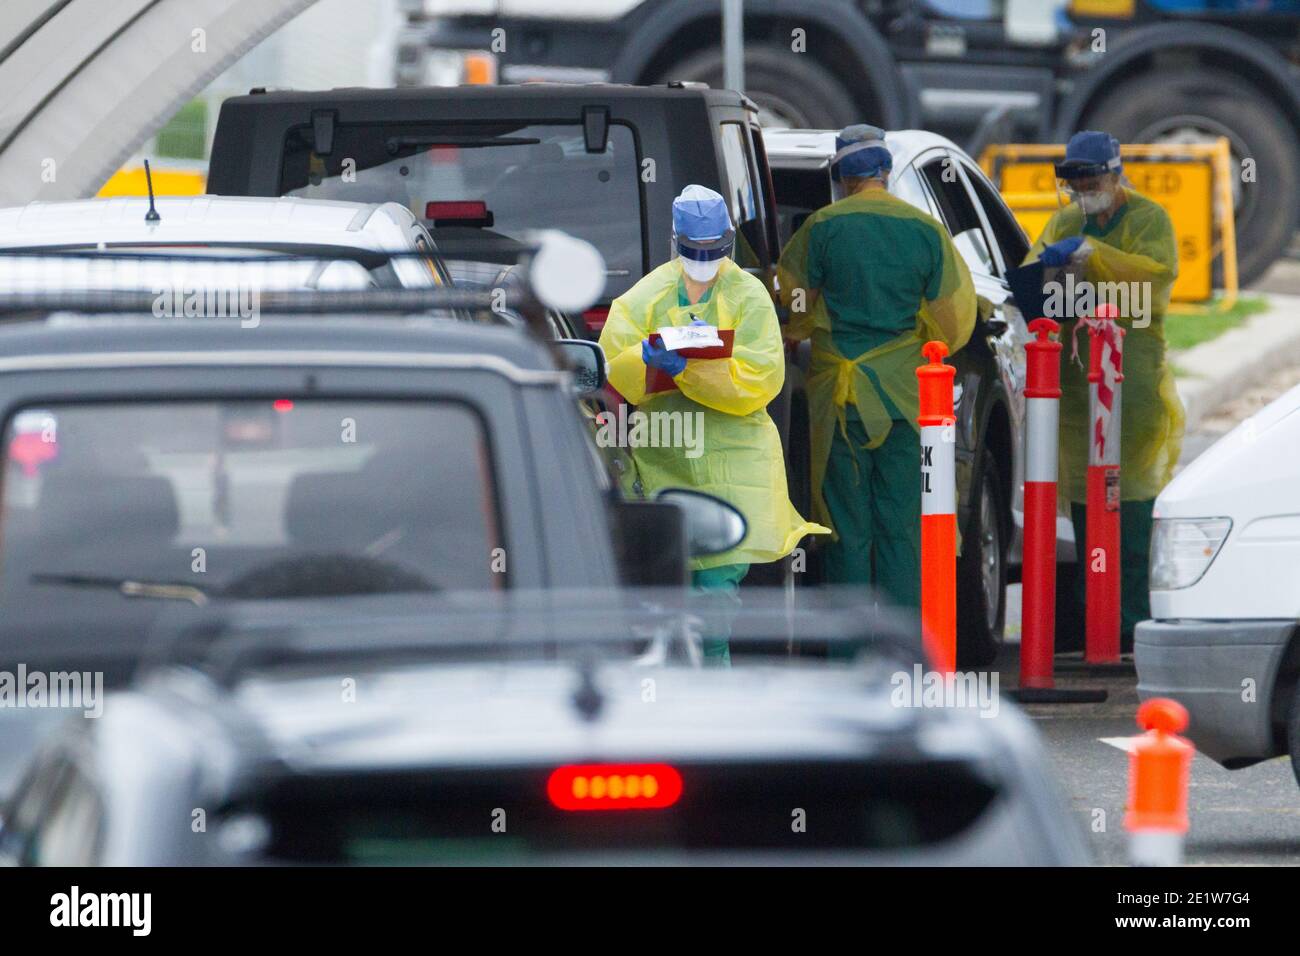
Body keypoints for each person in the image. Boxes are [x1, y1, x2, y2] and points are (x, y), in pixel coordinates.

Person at [598, 184, 827, 665]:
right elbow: (613, 368)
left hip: (735, 466)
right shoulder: (647, 296)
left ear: (727, 244)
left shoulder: (749, 296)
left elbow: (762, 378)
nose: (702, 260)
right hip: (668, 460)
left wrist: (692, 369)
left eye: (713, 251)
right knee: (672, 594)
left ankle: (712, 691)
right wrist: (644, 358)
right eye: (692, 251)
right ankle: (679, 705)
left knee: (716, 600)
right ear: (674, 243)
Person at [777, 125, 976, 615]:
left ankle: (850, 660)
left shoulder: (820, 229)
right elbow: (953, 318)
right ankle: (903, 652)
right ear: (885, 171)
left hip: (840, 403)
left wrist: (804, 326)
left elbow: (793, 302)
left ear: (842, 173)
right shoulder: (925, 230)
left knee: (845, 528)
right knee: (904, 527)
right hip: (909, 401)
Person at [1026, 130, 1183, 647]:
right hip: (1076, 389)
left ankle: (1134, 623)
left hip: (1131, 385)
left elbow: (1152, 284)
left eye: (1091, 179)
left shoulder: (1147, 219)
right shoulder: (1068, 220)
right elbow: (1034, 284)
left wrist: (1092, 257)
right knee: (1086, 507)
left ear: (1114, 174)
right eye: (1075, 181)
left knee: (1130, 505)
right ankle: (1093, 624)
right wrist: (1051, 274)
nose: (1083, 190)